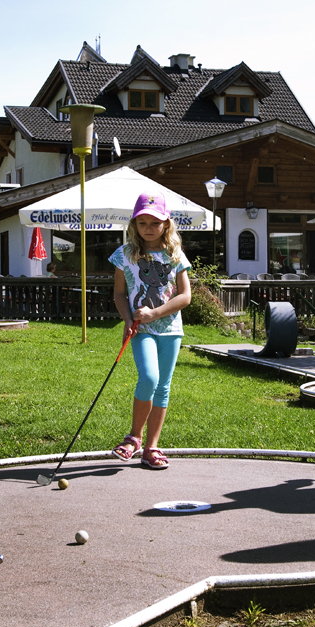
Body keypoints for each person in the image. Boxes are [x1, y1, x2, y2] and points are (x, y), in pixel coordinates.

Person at [109, 192, 192, 470]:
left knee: (163, 388)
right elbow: (120, 294)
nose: (148, 228)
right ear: (134, 224)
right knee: (149, 378)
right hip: (140, 330)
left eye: (154, 223)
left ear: (166, 224)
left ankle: (151, 447)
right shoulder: (125, 254)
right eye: (142, 222)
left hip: (170, 330)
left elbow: (185, 296)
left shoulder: (175, 255)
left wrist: (155, 313)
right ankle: (133, 437)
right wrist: (127, 321)